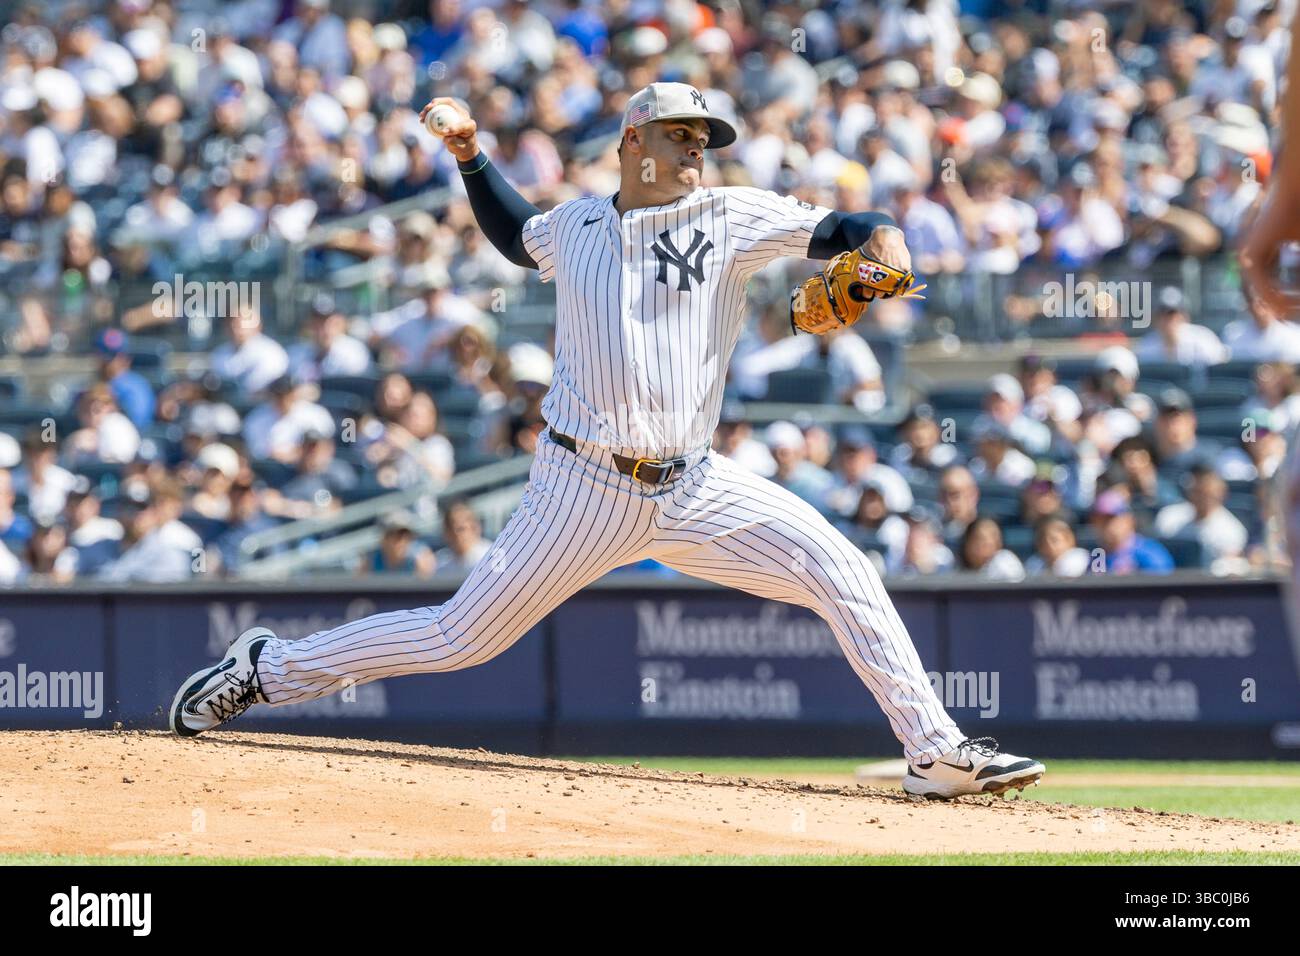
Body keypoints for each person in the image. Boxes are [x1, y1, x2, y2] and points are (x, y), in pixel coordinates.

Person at [171, 82, 1044, 800]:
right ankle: (268, 670)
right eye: (682, 133)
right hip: (579, 486)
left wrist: (881, 245)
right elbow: (515, 236)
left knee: (843, 569)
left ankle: (935, 752)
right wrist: (473, 157)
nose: (700, 149)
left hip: (696, 486)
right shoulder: (578, 226)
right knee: (457, 639)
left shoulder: (731, 215)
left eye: (706, 137)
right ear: (635, 142)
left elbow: (848, 230)